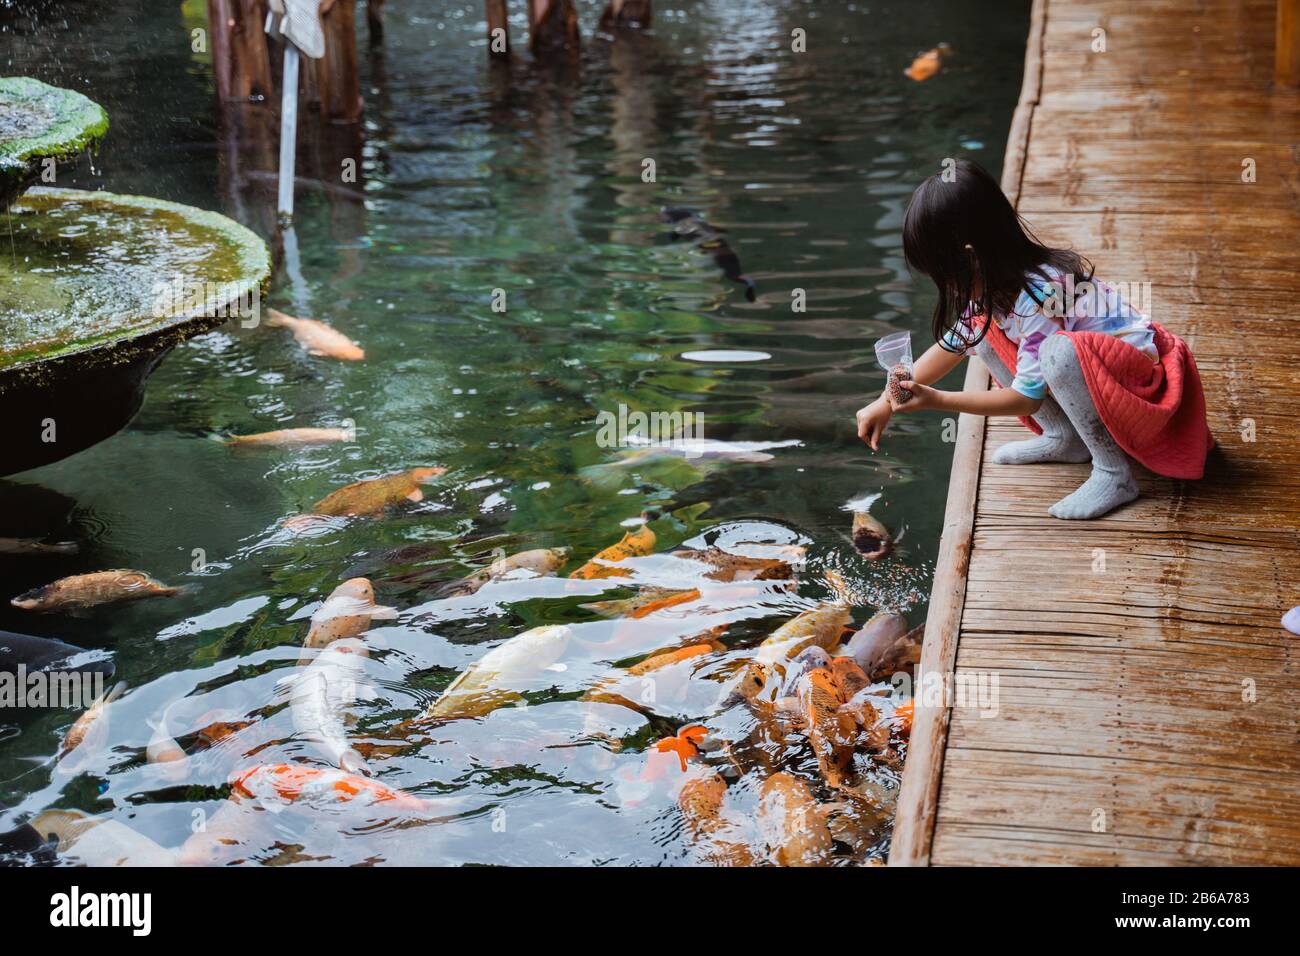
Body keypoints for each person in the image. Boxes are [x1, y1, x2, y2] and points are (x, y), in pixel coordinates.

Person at [856, 160, 1211, 519]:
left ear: (971, 259)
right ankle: (1065, 437)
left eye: (943, 274)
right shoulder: (994, 288)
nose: (945, 286)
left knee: (1059, 352)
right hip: (1104, 383)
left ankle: (1113, 473)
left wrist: (937, 400)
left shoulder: (1042, 295)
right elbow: (954, 344)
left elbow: (1025, 398)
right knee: (982, 333)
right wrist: (885, 402)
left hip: (1141, 389)